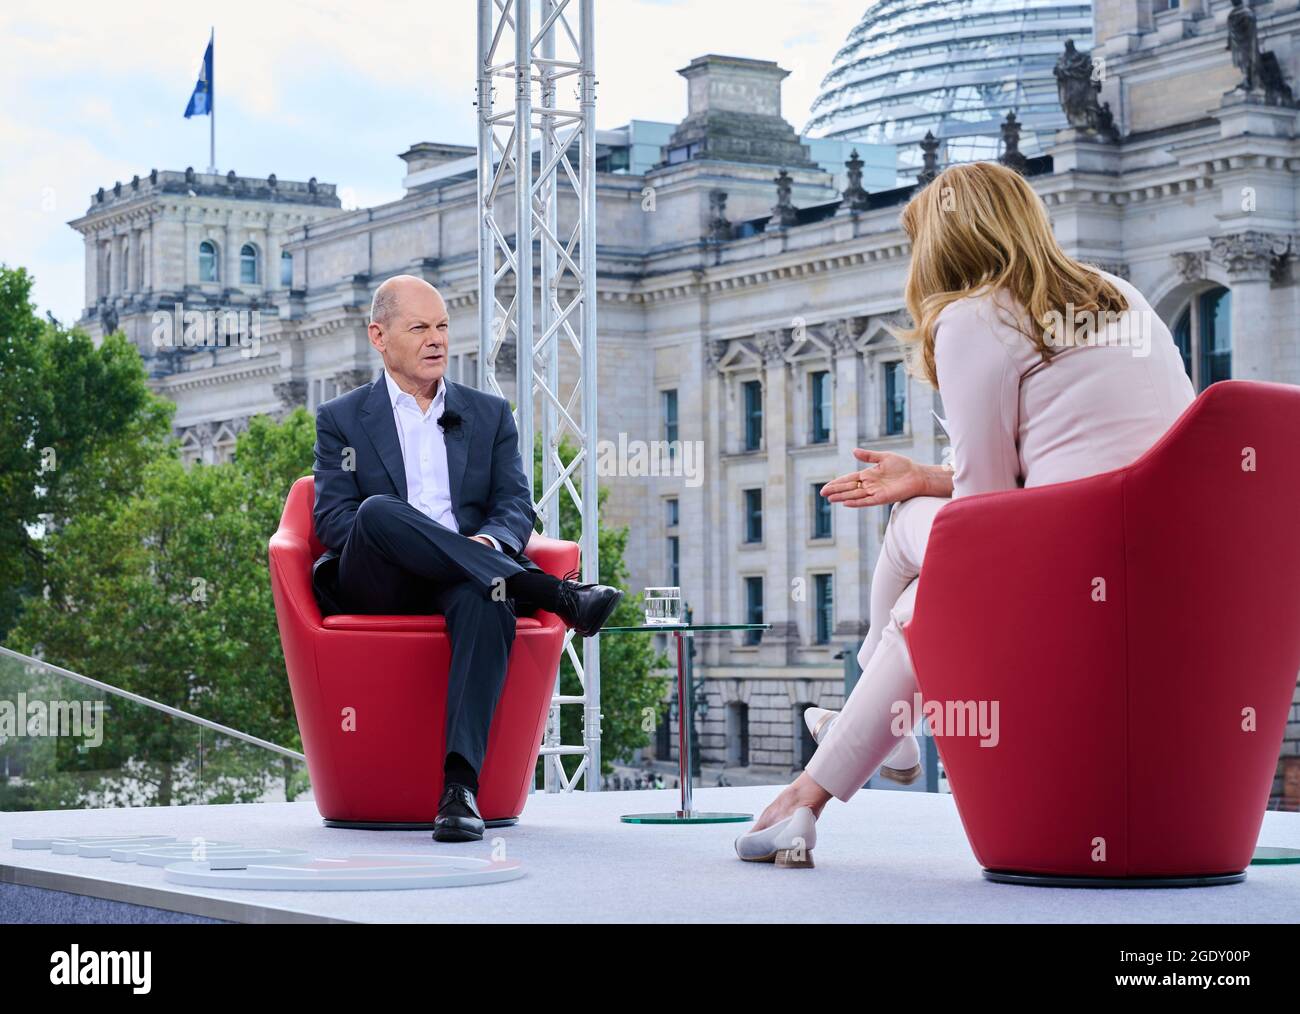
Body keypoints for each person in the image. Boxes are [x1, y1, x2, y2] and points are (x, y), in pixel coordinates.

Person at [735, 161, 1195, 868]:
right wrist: (928, 472)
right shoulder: (1123, 297)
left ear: (943, 247)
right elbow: (1066, 471)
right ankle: (814, 791)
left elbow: (986, 511)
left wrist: (925, 488)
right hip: (1159, 572)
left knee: (914, 538)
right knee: (928, 592)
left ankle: (872, 729)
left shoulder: (973, 316)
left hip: (1061, 572)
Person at [312, 275, 622, 843]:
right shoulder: (342, 418)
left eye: (443, 327)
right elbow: (333, 523)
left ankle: (459, 791)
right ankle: (553, 595)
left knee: (489, 601)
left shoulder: (488, 413)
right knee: (380, 511)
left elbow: (513, 505)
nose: (437, 341)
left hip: (468, 575)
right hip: (378, 578)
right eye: (420, 328)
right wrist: (426, 539)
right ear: (379, 337)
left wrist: (491, 546)